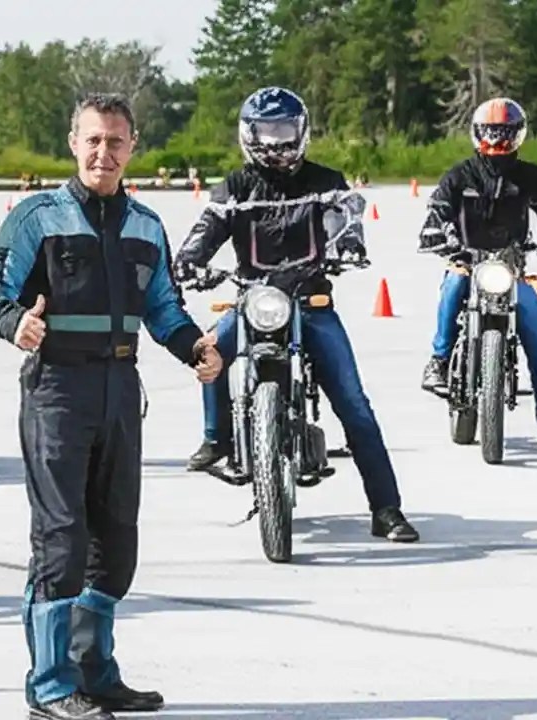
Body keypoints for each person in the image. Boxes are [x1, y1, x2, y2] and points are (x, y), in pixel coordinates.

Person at [0, 92, 224, 720]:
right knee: (60, 541)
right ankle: (51, 686)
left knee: (115, 542)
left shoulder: (146, 226)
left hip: (118, 389)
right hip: (58, 390)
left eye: (115, 141)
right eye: (92, 140)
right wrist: (12, 323)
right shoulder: (38, 217)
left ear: (132, 147)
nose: (103, 152)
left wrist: (196, 348)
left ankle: (95, 671)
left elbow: (163, 307)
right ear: (73, 143)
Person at [175, 86, 419, 543]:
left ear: (301, 132)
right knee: (207, 351)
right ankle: (218, 440)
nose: (275, 141)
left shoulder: (326, 181)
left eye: (284, 130)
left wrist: (348, 244)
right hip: (253, 300)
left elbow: (346, 217)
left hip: (311, 300)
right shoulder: (234, 188)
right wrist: (190, 261)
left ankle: (387, 509)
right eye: (265, 131)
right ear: (249, 135)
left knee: (354, 404)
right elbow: (204, 232)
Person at [417, 97, 537, 450]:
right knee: (452, 288)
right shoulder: (460, 174)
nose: (498, 140)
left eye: (505, 133)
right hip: (466, 260)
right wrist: (431, 231)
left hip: (510, 267)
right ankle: (439, 359)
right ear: (478, 134)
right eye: (492, 132)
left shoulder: (530, 176)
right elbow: (438, 209)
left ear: (518, 135)